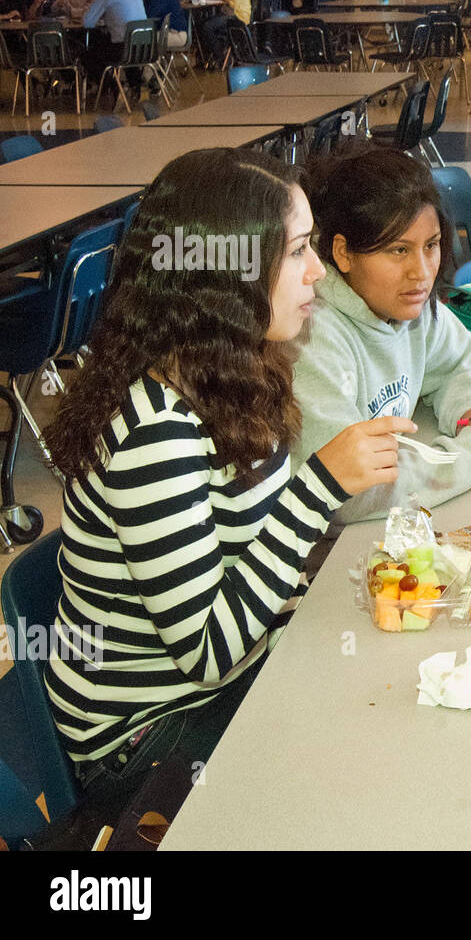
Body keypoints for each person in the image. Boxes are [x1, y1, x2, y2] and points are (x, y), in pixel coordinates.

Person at [44, 148, 413, 790]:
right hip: (145, 741)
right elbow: (211, 653)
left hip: (229, 682)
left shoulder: (232, 370)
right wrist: (320, 486)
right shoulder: (155, 431)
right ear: (227, 272)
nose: (318, 273)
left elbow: (245, 561)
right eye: (297, 251)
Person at [293, 145, 471, 523]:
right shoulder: (311, 336)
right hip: (329, 553)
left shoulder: (410, 305)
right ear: (343, 253)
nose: (421, 272)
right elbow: (347, 493)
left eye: (430, 246)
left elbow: (468, 365)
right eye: (399, 250)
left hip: (399, 518)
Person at [81, 0, 146, 84]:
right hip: (145, 46)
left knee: (88, 54)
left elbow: (87, 23)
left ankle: (110, 86)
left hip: (124, 50)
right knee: (116, 40)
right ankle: (134, 84)